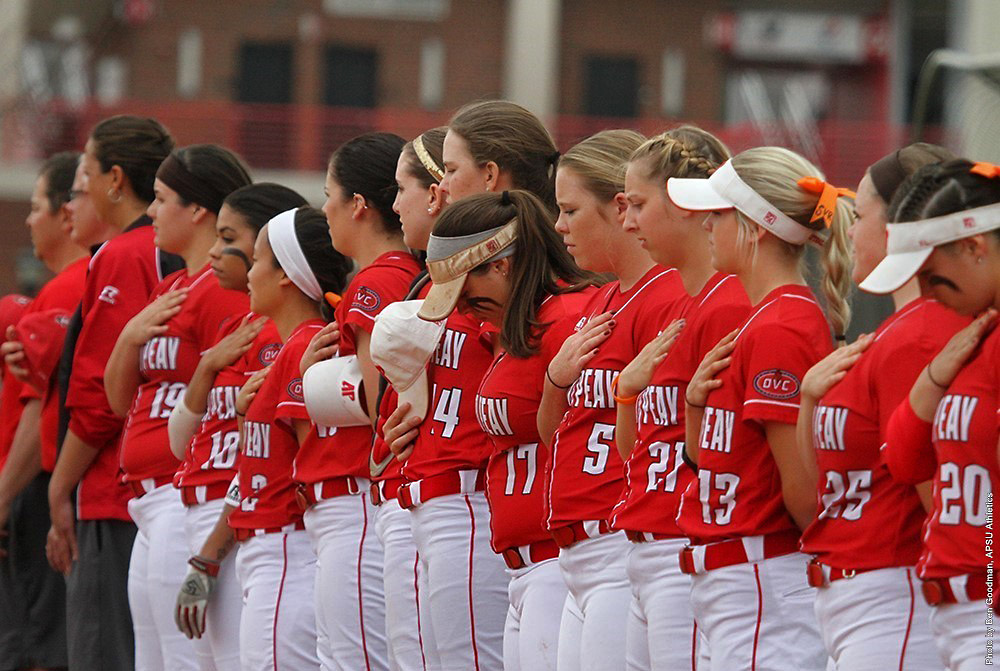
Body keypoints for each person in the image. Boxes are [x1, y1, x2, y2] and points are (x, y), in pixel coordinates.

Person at [382, 101, 563, 671]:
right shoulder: (456, 265)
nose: (440, 188)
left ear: (489, 175)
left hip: (480, 498)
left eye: (450, 170)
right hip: (438, 492)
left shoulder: (523, 276)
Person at [668, 146, 854, 670]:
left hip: (763, 582)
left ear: (759, 226)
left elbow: (800, 489)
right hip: (738, 584)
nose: (706, 224)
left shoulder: (781, 325)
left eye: (720, 213)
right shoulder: (764, 317)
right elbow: (733, 465)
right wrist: (695, 417)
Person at [796, 143, 961, 671]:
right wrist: (807, 402)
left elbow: (940, 498)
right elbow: (818, 494)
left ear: (897, 229)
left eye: (861, 213)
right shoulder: (892, 333)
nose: (850, 228)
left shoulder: (918, 338)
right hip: (855, 597)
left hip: (896, 593)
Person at [538, 129, 688, 671]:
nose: (559, 226)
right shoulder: (601, 299)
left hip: (621, 541)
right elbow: (550, 431)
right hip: (578, 551)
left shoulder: (668, 296)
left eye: (571, 209)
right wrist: (556, 380)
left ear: (619, 207)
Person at [48, 115, 182, 671]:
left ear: (115, 179)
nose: (79, 181)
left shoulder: (125, 254)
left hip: (114, 492)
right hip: (158, 490)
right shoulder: (156, 252)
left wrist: (59, 487)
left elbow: (102, 396)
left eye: (87, 167)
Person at [608, 127, 739, 671]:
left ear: (687, 202)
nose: (628, 220)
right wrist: (625, 396)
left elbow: (724, 459)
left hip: (685, 549)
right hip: (645, 547)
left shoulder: (728, 303)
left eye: (638, 203)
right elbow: (631, 455)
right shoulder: (684, 302)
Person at [292, 132, 420, 671]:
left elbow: (375, 398)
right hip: (369, 499)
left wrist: (312, 378)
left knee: (354, 660)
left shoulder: (379, 280)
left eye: (329, 193)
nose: (323, 207)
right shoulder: (401, 274)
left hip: (366, 498)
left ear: (359, 206)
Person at [169, 183, 308, 671]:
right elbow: (179, 444)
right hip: (214, 514)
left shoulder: (290, 336)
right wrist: (206, 367)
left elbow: (272, 461)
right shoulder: (236, 329)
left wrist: (209, 554)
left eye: (229, 237)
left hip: (242, 524)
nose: (213, 251)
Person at [869, 159, 1000, 671]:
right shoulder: (971, 336)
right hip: (955, 613)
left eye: (931, 274)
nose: (923, 292)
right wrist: (933, 379)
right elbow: (903, 460)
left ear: (974, 245)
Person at [226, 206, 351, 671]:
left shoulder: (305, 344)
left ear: (286, 274)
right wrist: (244, 415)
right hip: (267, 551)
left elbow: (312, 457)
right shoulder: (291, 347)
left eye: (258, 260)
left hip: (286, 549)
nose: (249, 270)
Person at [0, 151, 85, 670]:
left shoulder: (71, 286)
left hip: (44, 485)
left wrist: (4, 497)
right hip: (47, 485)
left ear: (65, 212)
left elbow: (41, 409)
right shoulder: (59, 289)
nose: (30, 219)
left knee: (36, 646)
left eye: (37, 207)